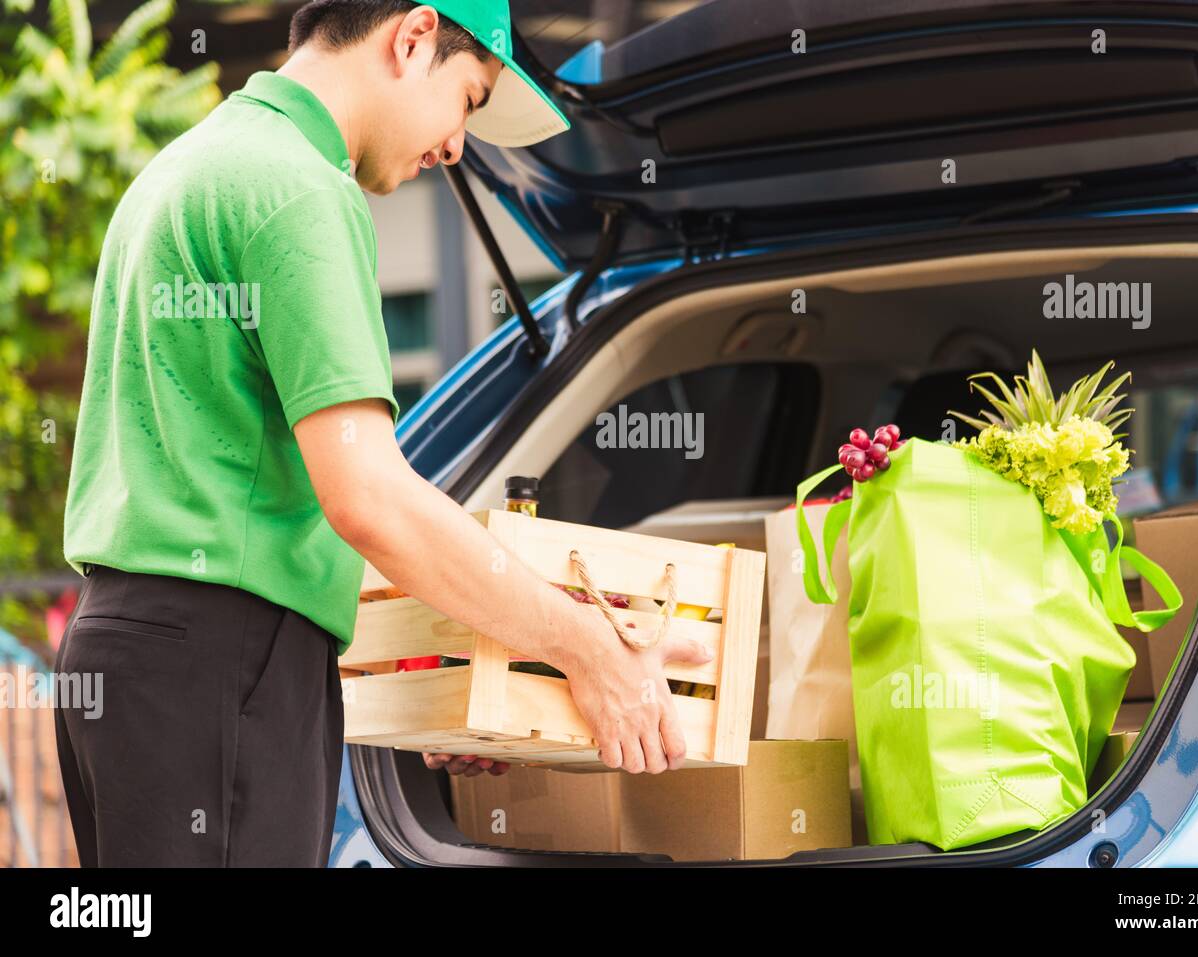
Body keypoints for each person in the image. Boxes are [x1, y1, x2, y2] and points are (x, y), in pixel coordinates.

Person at [56, 0, 712, 868]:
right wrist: (591, 652)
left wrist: (453, 679)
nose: (457, 147)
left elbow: (258, 506)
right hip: (218, 666)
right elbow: (370, 498)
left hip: (126, 658)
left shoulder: (186, 169)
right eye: (469, 100)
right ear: (413, 36)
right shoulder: (299, 188)